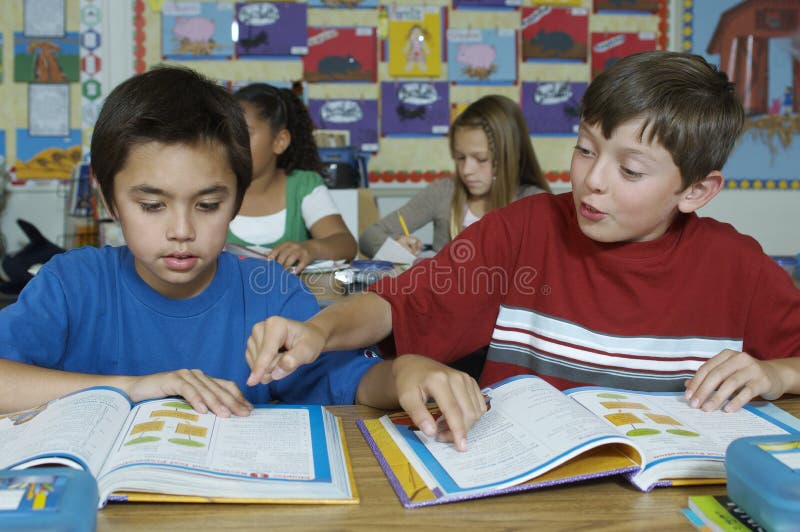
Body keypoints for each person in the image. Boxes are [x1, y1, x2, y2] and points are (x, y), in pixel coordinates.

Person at [245, 51, 800, 451]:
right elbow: (398, 303)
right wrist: (320, 330)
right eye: (585, 149)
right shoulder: (523, 230)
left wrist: (776, 375)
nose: (592, 181)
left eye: (629, 169)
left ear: (697, 190)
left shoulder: (739, 267)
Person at [0, 66, 385, 415]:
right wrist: (131, 389)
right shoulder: (72, 284)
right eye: (152, 205)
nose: (181, 230)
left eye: (207, 204)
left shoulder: (272, 293)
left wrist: (402, 377)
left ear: (236, 199)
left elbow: (357, 382)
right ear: (109, 199)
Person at [359, 94, 551, 258]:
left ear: (511, 156)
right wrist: (397, 248)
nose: (466, 170)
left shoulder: (535, 203)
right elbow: (369, 237)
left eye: (481, 159)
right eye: (460, 157)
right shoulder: (444, 192)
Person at [228, 83, 357, 273]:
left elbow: (346, 245)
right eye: (227, 132)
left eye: (244, 133)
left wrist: (311, 248)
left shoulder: (303, 186)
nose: (232, 142)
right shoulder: (211, 188)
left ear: (280, 141)